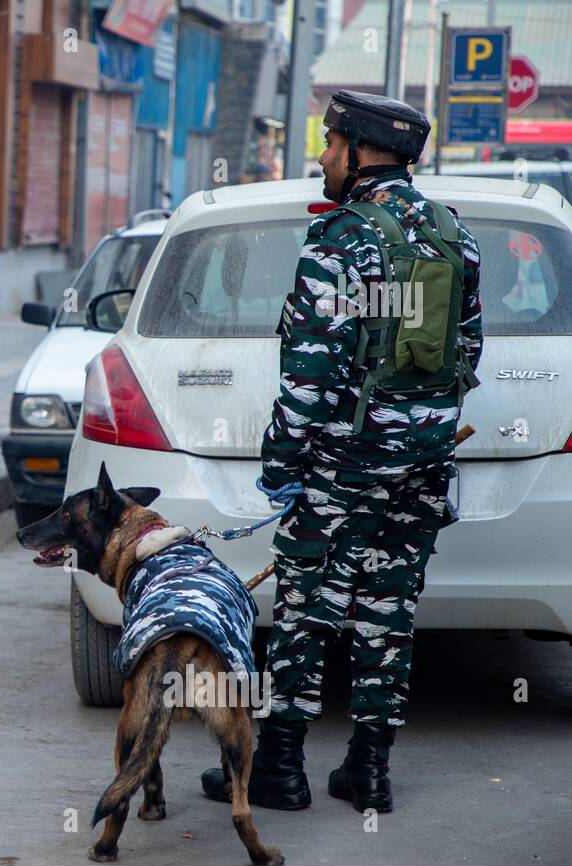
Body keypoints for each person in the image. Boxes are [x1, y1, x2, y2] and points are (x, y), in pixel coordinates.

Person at [201, 90, 483, 813]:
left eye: (330, 144)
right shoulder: (454, 234)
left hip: (345, 460)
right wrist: (421, 426)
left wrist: (281, 466)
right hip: (425, 460)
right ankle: (370, 770)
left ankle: (282, 769)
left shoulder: (341, 241)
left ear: (360, 152)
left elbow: (310, 374)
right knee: (389, 607)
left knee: (307, 606)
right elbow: (468, 351)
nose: (323, 158)